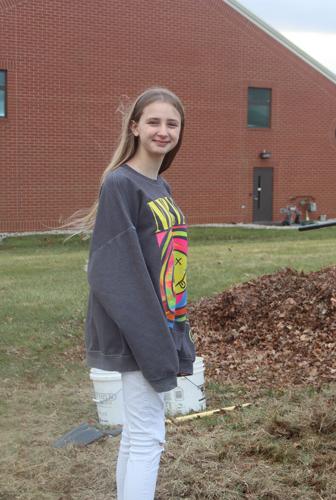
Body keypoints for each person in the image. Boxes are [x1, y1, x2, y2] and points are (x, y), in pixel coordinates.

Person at [70, 87, 195, 500]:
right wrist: (154, 335)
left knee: (136, 434)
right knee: (148, 437)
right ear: (135, 127)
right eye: (154, 121)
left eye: (171, 123)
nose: (163, 130)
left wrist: (177, 325)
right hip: (137, 327)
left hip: (161, 321)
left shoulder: (161, 186)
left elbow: (166, 262)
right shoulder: (121, 184)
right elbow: (115, 270)